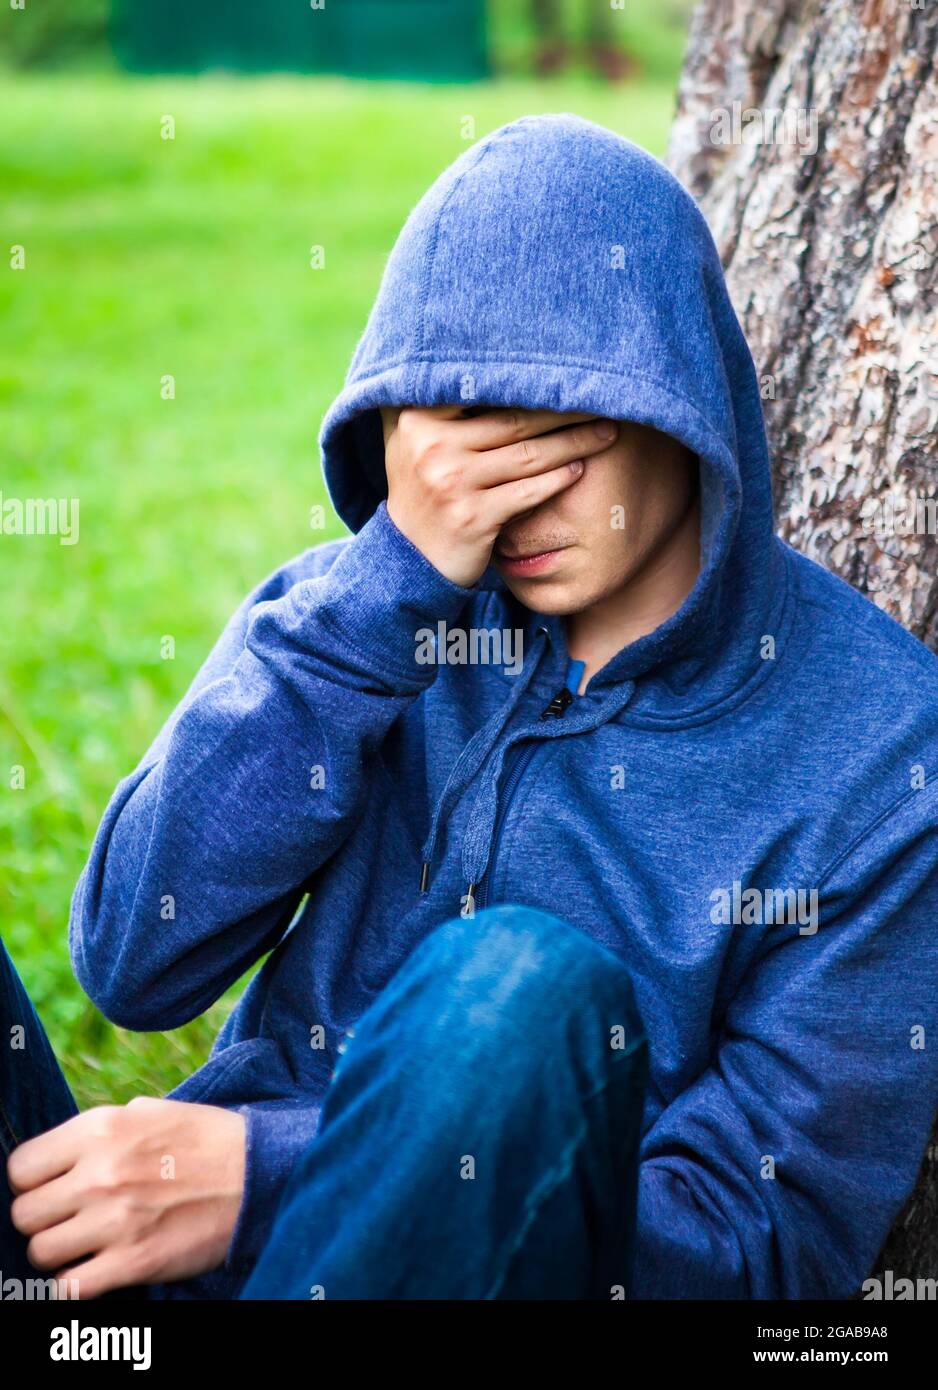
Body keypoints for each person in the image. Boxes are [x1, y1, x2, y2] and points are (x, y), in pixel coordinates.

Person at [3, 114, 938, 1301]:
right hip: (129, 1295)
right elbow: (132, 963)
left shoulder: (883, 754)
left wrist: (262, 1180)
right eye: (455, 447)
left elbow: (758, 1250)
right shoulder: (362, 611)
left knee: (516, 992)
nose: (506, 506)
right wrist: (380, 596)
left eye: (550, 436)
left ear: (677, 402)